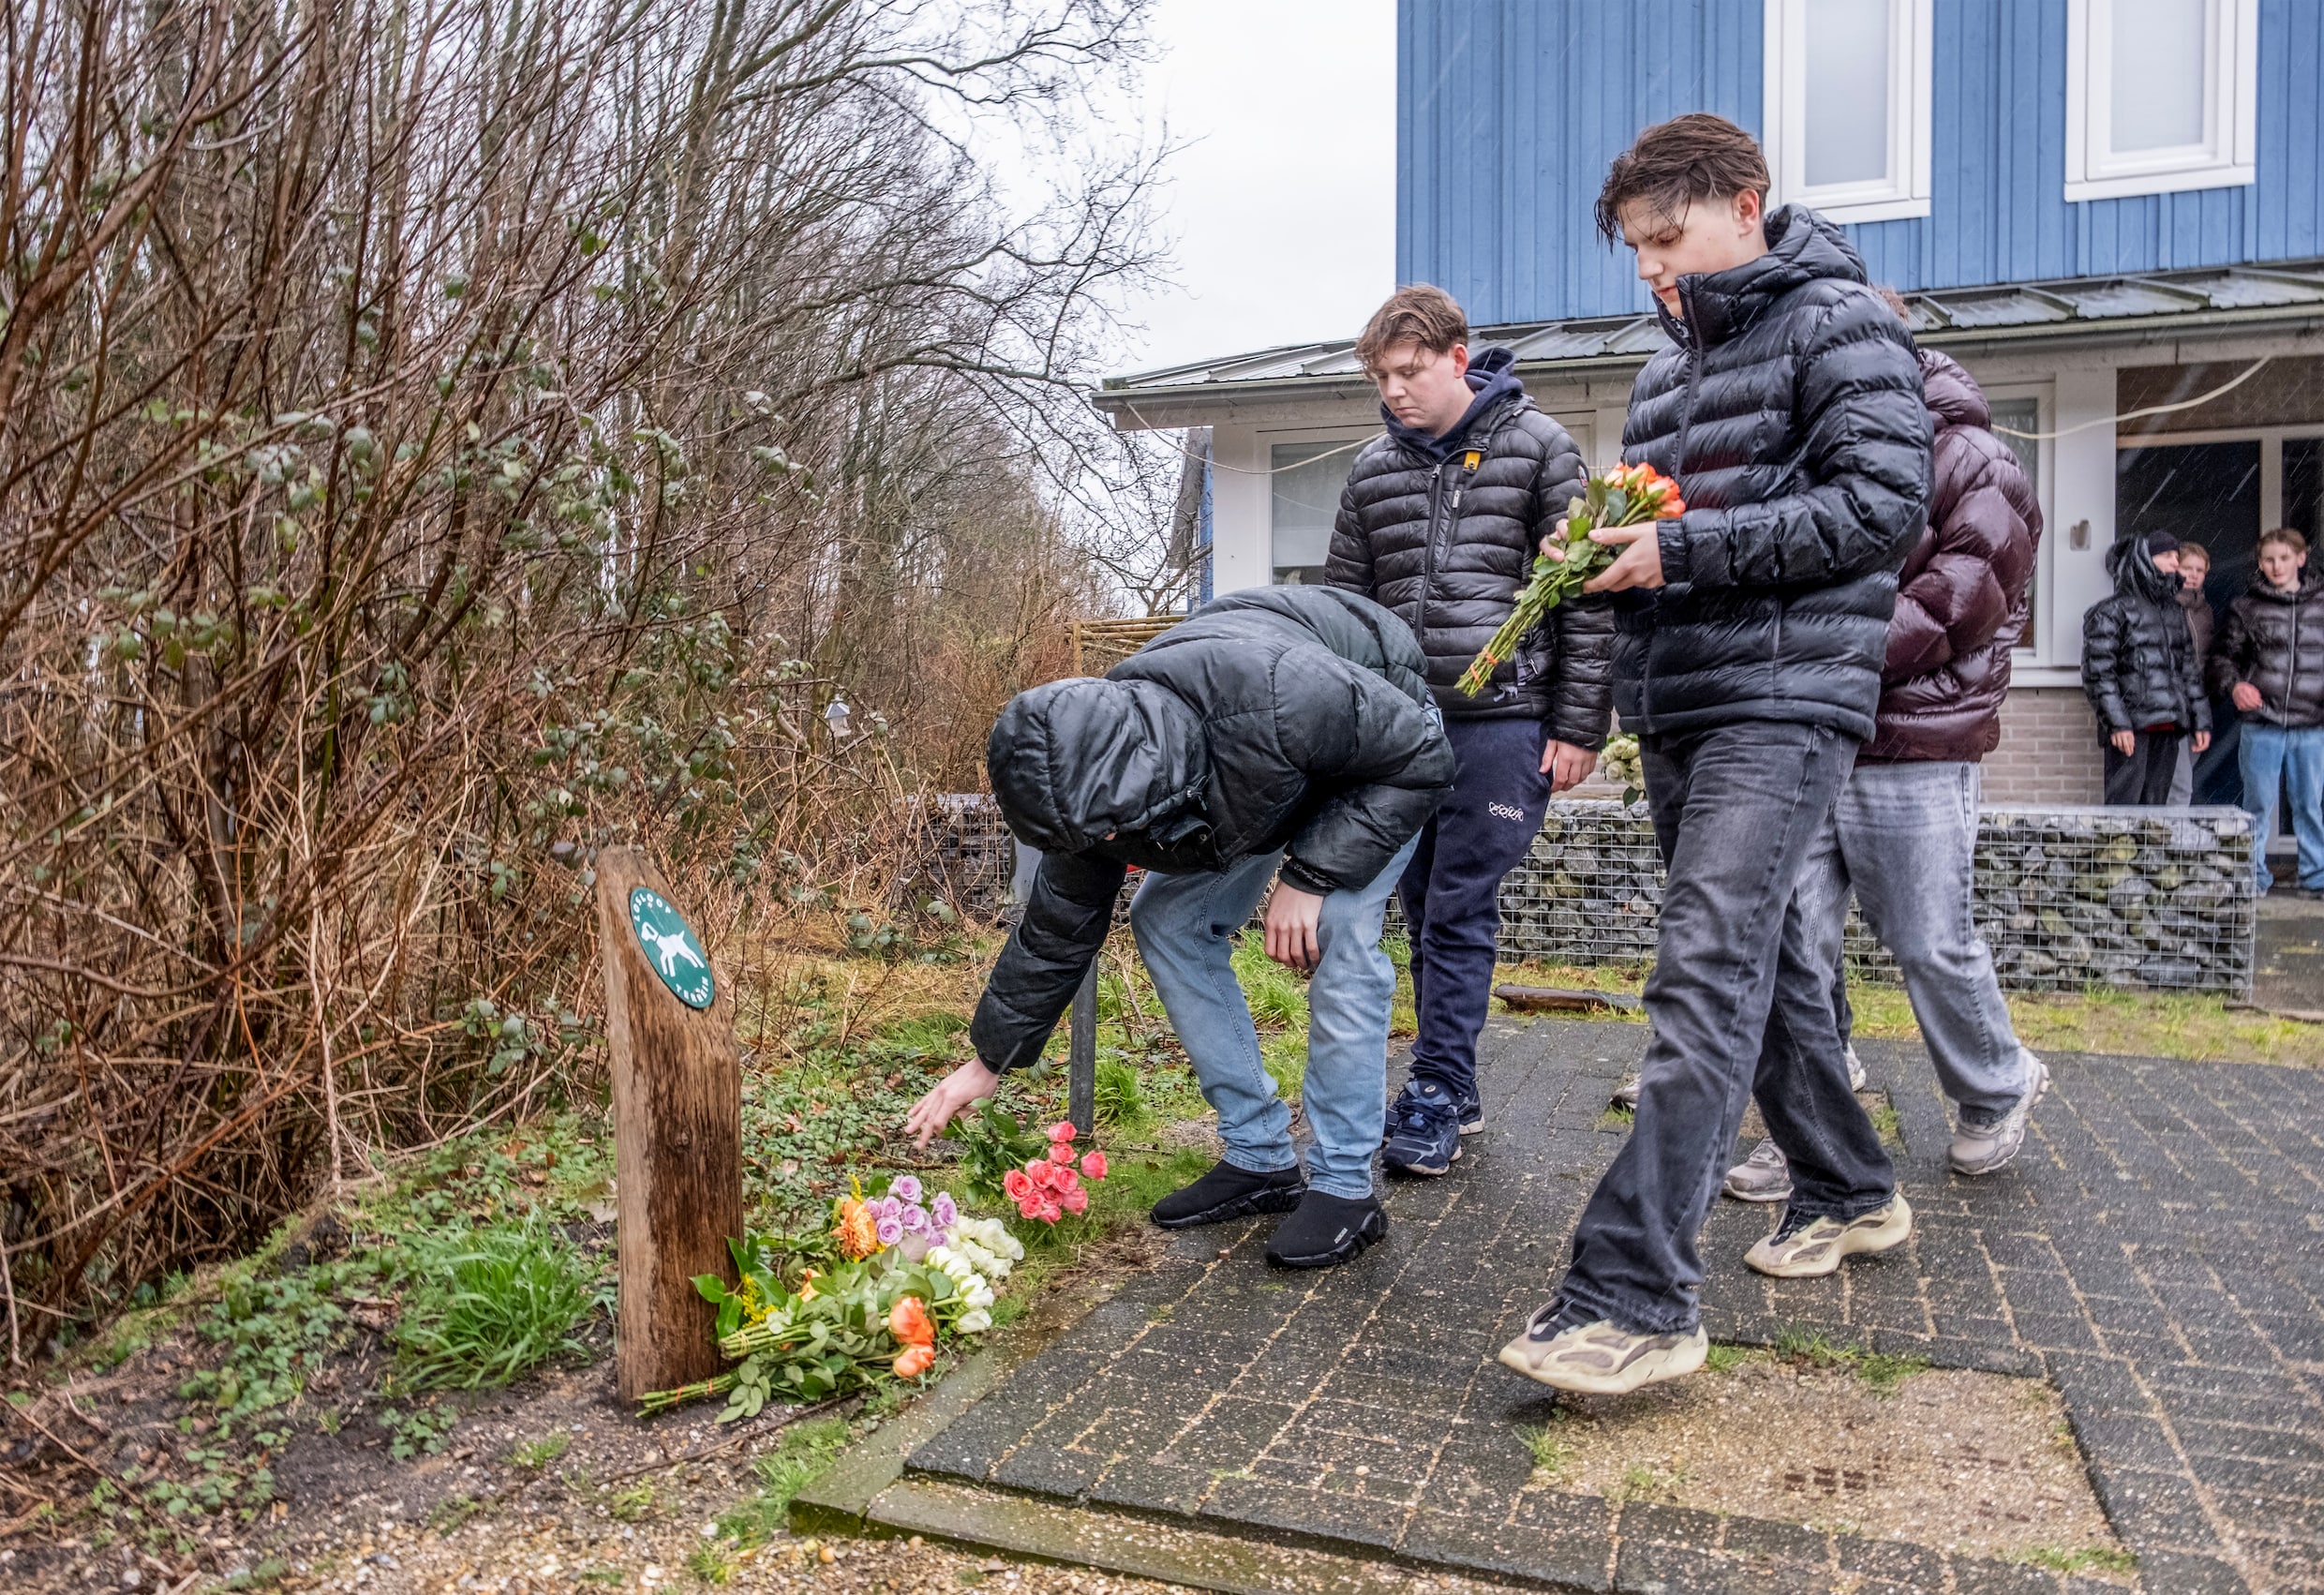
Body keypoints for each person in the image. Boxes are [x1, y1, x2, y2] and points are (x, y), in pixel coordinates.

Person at [1497, 114, 1931, 1396]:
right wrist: (1599, 557)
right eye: (1635, 249)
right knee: (1768, 962)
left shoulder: (1840, 324)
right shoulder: (1661, 374)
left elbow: (1879, 509)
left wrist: (1678, 550)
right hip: (1683, 699)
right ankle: (1849, 1185)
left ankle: (1633, 1293)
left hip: (1786, 700)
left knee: (1701, 970)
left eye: (1664, 238)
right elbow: (1663, 529)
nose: (1649, 269)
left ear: (1745, 204)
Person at [903, 586, 1455, 1269]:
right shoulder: (1086, 787)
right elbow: (1055, 931)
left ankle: (1344, 1187)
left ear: (1147, 780)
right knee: (1167, 916)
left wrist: (1310, 877)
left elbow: (1422, 759)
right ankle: (1260, 1157)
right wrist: (989, 1062)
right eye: (1094, 835)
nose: (1106, 845)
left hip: (1382, 750)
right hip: (1263, 772)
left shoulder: (1279, 695)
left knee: (1338, 927)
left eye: (1110, 831)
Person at [1723, 302, 2048, 1208]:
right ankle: (1814, 1128)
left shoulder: (1975, 460)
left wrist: (1813, 644)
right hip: (1806, 730)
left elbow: (1957, 605)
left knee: (1926, 938)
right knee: (1792, 942)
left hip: (1916, 740)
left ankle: (1996, 1086)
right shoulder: (1806, 451)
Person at [1322, 285, 1613, 1178]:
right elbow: (1342, 612)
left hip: (1505, 723)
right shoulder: (1372, 470)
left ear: (1457, 358)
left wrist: (1579, 727)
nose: (1394, 391)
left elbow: (1585, 599)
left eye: (1409, 371)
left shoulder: (1540, 448)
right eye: (1380, 377)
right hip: (1401, 729)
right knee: (1417, 909)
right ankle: (1453, 1080)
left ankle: (1439, 1087)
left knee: (1456, 907)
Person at [2210, 528, 2324, 894]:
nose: (2277, 566)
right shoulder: (2246, 608)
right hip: (2261, 723)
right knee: (2257, 805)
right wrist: (2234, 686)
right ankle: (2253, 877)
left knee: (2309, 806)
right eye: (2269, 559)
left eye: (2284, 558)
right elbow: (2222, 659)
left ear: (2301, 559)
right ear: (2260, 563)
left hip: (2311, 723)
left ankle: (2316, 877)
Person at [2082, 531, 2210, 806]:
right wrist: (2117, 724)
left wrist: (2201, 720)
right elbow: (2099, 675)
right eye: (2166, 556)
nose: (2175, 562)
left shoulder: (2174, 612)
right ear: (2143, 560)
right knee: (2123, 810)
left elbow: (2189, 672)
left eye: (2177, 556)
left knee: (2156, 810)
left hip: (2169, 725)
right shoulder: (2111, 612)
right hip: (2132, 728)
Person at [2169, 540, 2217, 805]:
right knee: (2180, 784)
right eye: (2187, 568)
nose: (2193, 575)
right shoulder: (2166, 606)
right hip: (2173, 704)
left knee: (2187, 770)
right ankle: (2174, 829)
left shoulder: (2204, 610)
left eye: (2200, 570)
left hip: (2198, 704)